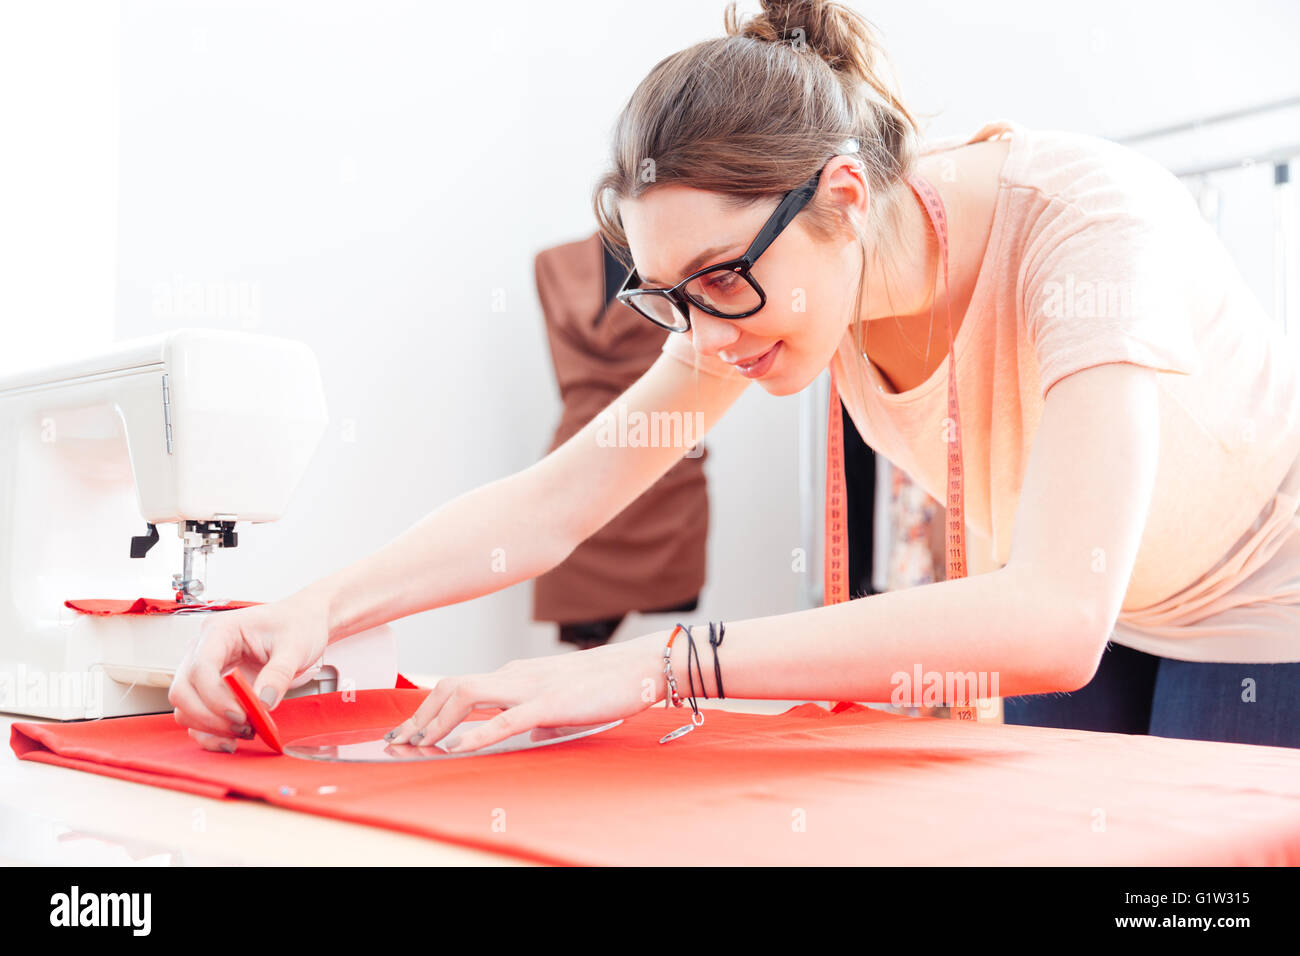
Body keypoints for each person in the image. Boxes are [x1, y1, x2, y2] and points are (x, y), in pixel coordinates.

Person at [170, 0, 1300, 754]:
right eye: (669, 294)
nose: (704, 334)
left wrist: (658, 667)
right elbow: (560, 501)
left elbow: (1053, 614)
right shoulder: (781, 291)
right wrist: (312, 605)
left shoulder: (1088, 228)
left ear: (845, 201)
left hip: (1263, 605)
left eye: (718, 278)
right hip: (1120, 603)